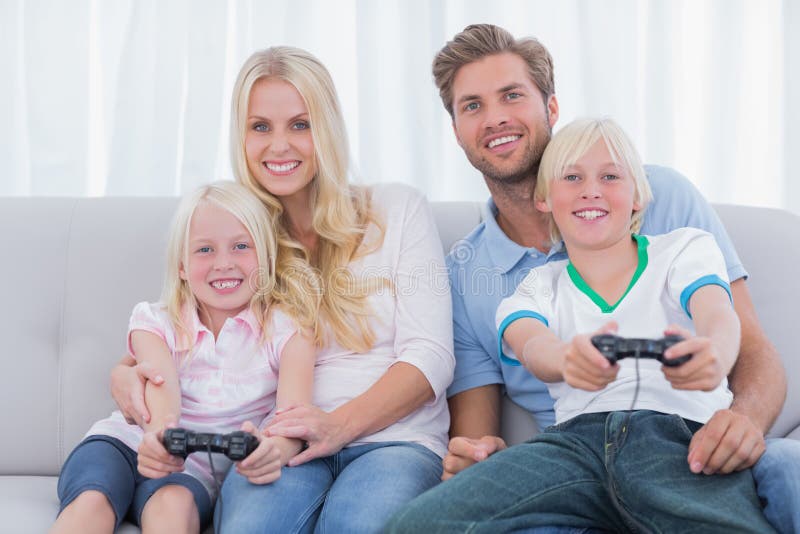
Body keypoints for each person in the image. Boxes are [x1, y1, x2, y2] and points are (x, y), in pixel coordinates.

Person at [426, 23, 798, 531]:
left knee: (784, 469)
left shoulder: (665, 205)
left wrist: (743, 421)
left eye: (512, 95)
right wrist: (476, 455)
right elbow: (488, 412)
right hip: (570, 455)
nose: (495, 118)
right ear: (456, 129)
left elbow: (740, 338)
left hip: (686, 438)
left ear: (550, 108)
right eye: (472, 106)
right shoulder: (470, 273)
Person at [110, 46, 455, 533]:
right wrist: (125, 371)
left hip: (395, 442)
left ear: (328, 129)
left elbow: (432, 355)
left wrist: (338, 427)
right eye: (260, 127)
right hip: (279, 445)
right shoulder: (239, 234)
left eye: (300, 124)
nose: (279, 146)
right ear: (241, 135)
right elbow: (181, 324)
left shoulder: (398, 210)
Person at [52, 181, 316, 534]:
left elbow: (291, 420)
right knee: (91, 504)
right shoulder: (154, 320)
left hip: (192, 470)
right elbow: (162, 384)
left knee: (173, 507)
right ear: (181, 266)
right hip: (123, 445)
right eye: (205, 250)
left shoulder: (290, 331)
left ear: (267, 257)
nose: (224, 263)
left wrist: (275, 450)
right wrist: (161, 435)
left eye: (241, 246)